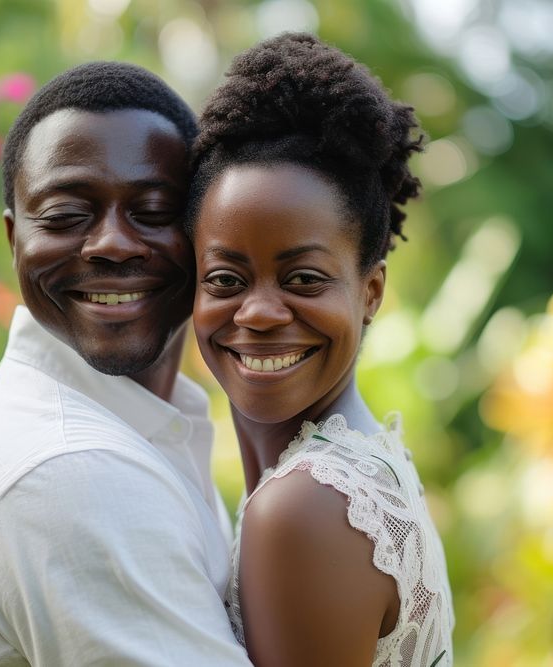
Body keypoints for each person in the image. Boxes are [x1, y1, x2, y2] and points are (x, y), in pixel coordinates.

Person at [0, 62, 251, 666]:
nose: (111, 243)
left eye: (153, 211)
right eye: (66, 216)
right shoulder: (72, 470)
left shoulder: (145, 423)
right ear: (13, 237)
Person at [185, 33, 454, 666]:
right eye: (225, 279)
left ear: (371, 291)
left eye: (304, 278)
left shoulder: (307, 507)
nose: (257, 311)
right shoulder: (364, 464)